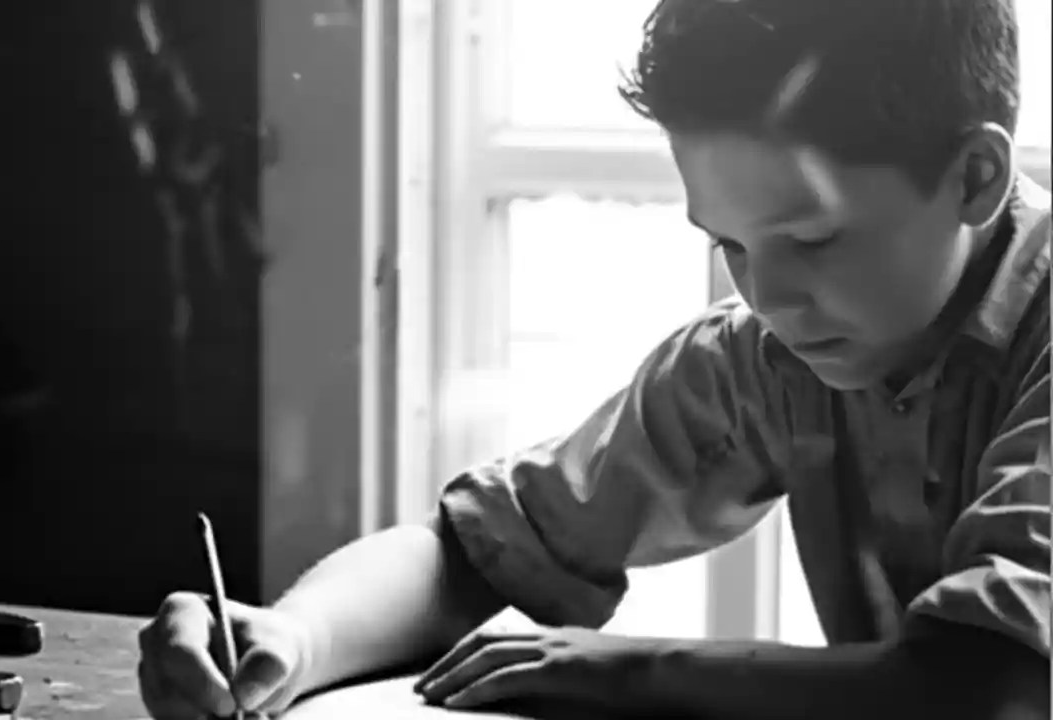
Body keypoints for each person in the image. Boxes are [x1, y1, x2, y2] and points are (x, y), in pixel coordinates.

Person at [137, 0, 1051, 717]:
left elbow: (990, 691)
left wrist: (640, 673)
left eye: (811, 240)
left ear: (974, 177)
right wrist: (293, 637)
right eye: (729, 244)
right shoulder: (772, 354)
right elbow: (479, 550)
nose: (767, 299)